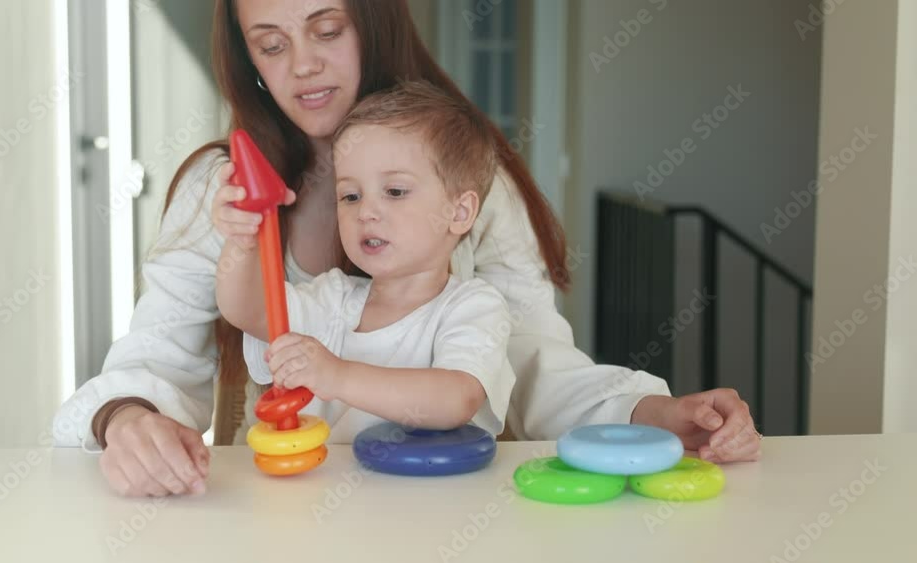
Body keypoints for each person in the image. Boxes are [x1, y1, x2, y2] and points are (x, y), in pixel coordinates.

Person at [53, 0, 760, 498]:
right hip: (285, 518)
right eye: (271, 44)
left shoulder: (472, 184)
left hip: (439, 513)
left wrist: (651, 416)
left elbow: (536, 365)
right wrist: (129, 418)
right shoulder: (228, 192)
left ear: (374, 21)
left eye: (326, 29)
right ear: (249, 60)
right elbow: (166, 354)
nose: (302, 66)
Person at [217, 82, 515, 442]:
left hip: (434, 499)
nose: (367, 212)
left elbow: (456, 398)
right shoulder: (333, 299)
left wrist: (337, 376)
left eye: (395, 191)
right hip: (326, 496)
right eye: (351, 196)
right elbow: (248, 310)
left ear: (460, 211)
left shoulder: (473, 307)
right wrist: (242, 240)